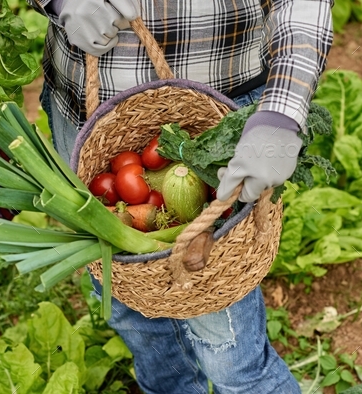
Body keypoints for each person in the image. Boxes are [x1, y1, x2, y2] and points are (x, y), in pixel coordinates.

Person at [27, 0, 333, 392]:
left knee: (231, 356)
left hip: (214, 110)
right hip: (86, 111)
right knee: (131, 310)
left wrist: (282, 112)